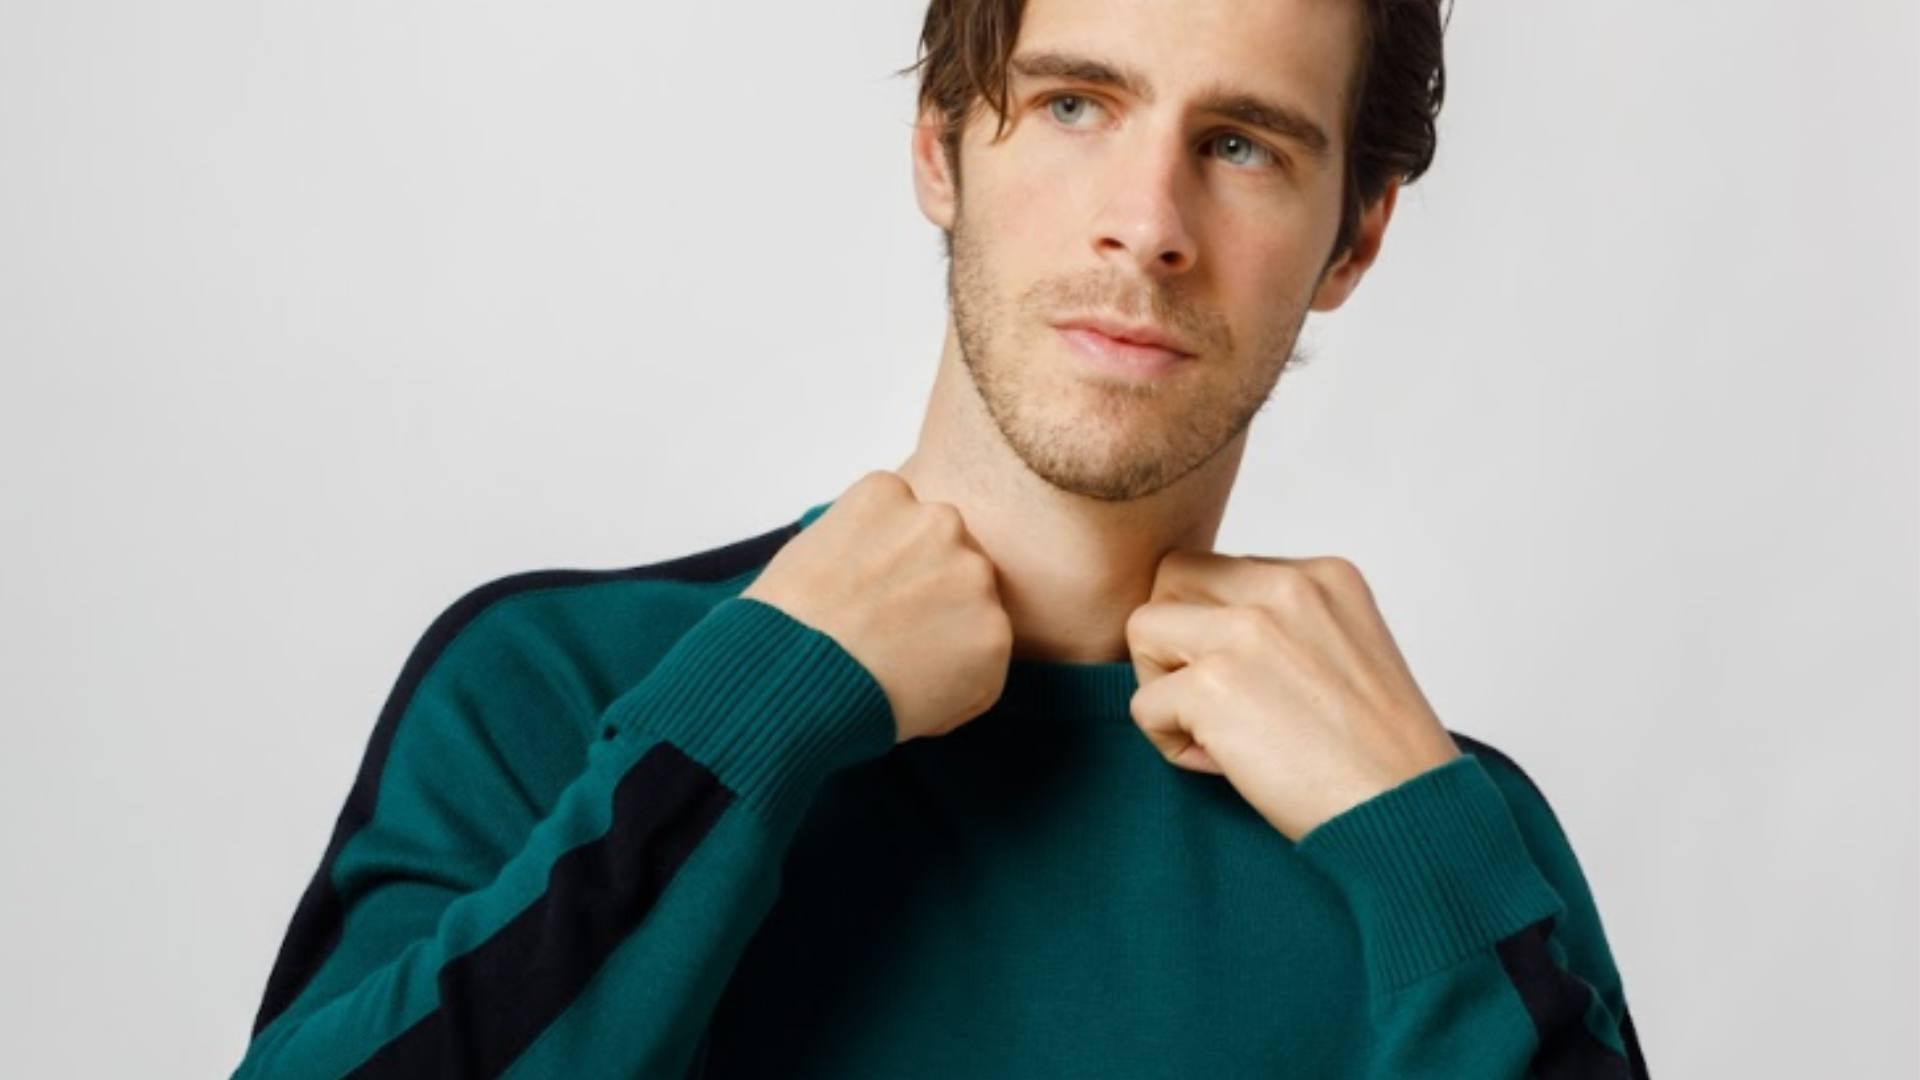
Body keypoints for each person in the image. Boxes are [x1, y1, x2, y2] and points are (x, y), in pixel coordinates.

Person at [234, 0, 1651, 1075]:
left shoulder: (1433, 830)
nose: (1147, 225)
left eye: (1240, 145)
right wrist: (751, 728)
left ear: (1355, 241)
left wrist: (1423, 856)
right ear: (940, 147)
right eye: (1077, 106)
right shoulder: (556, 686)